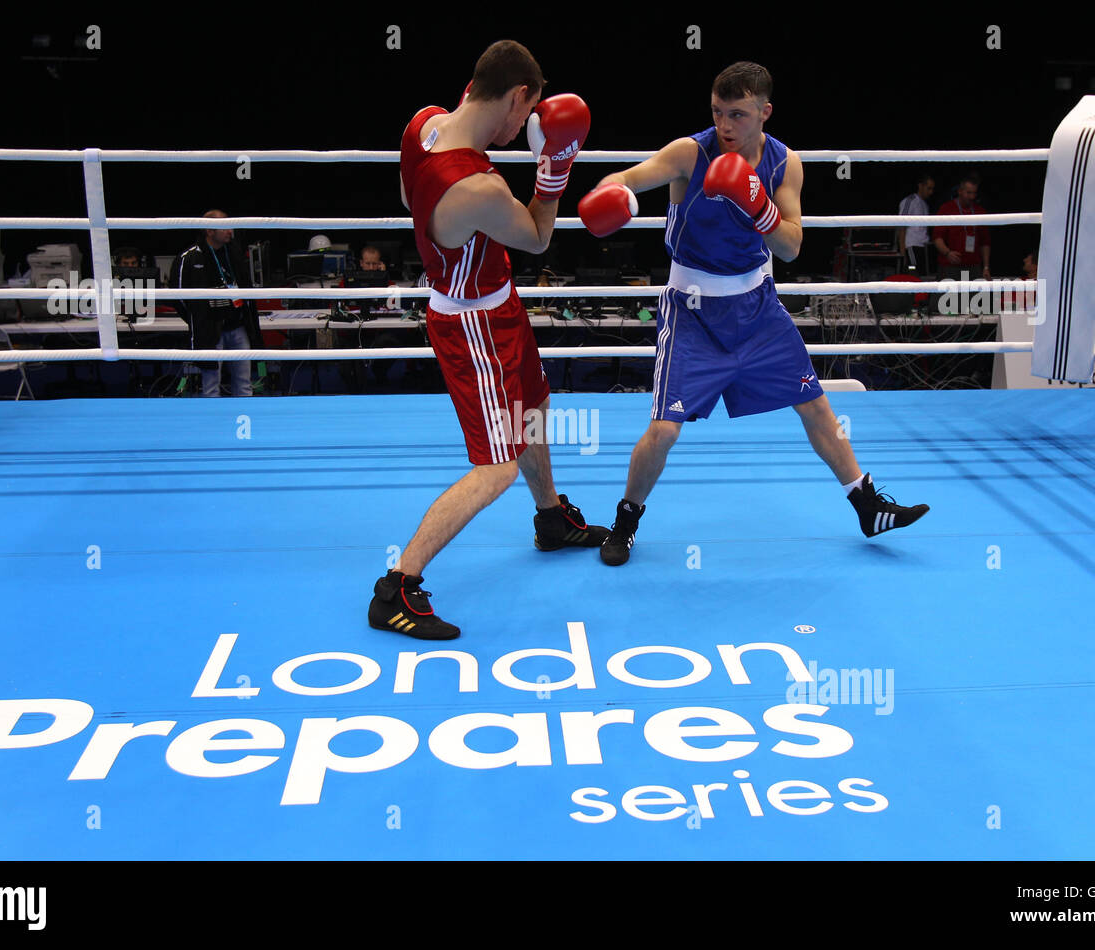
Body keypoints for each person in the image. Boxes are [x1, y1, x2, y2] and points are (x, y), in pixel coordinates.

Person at [576, 61, 929, 565]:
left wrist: (758, 205)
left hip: (757, 307)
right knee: (665, 429)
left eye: (737, 115)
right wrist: (616, 195)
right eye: (717, 112)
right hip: (693, 311)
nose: (725, 125)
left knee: (815, 405)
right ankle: (625, 520)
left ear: (765, 112)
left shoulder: (785, 164)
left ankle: (866, 505)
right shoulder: (690, 153)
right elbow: (628, 176)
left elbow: (791, 246)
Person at [369, 39, 606, 640]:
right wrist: (554, 170)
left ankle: (551, 519)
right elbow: (537, 237)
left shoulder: (423, 124)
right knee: (496, 468)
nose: (524, 128)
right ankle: (396, 587)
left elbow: (407, 195)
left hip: (497, 302)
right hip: (473, 322)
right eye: (527, 113)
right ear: (518, 95)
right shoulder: (478, 186)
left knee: (535, 408)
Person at [175, 210, 262, 396]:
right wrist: (198, 319)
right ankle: (212, 415)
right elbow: (178, 297)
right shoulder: (190, 257)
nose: (230, 231)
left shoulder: (235, 252)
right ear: (209, 230)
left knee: (244, 383)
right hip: (210, 329)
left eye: (230, 226)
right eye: (224, 227)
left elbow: (246, 287)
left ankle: (245, 414)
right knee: (211, 385)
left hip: (238, 325)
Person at [933, 176, 991, 284]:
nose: (972, 197)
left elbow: (985, 242)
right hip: (950, 266)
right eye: (968, 193)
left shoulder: (980, 211)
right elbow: (937, 237)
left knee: (972, 295)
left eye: (974, 193)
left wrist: (986, 267)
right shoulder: (946, 209)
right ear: (960, 191)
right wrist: (947, 253)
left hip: (973, 266)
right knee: (949, 295)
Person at [897, 173, 934, 273]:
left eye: (932, 189)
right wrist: (903, 253)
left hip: (923, 247)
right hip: (911, 246)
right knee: (913, 272)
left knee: (922, 274)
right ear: (920, 186)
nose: (931, 192)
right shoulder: (910, 201)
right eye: (928, 188)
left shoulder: (925, 204)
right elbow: (901, 226)